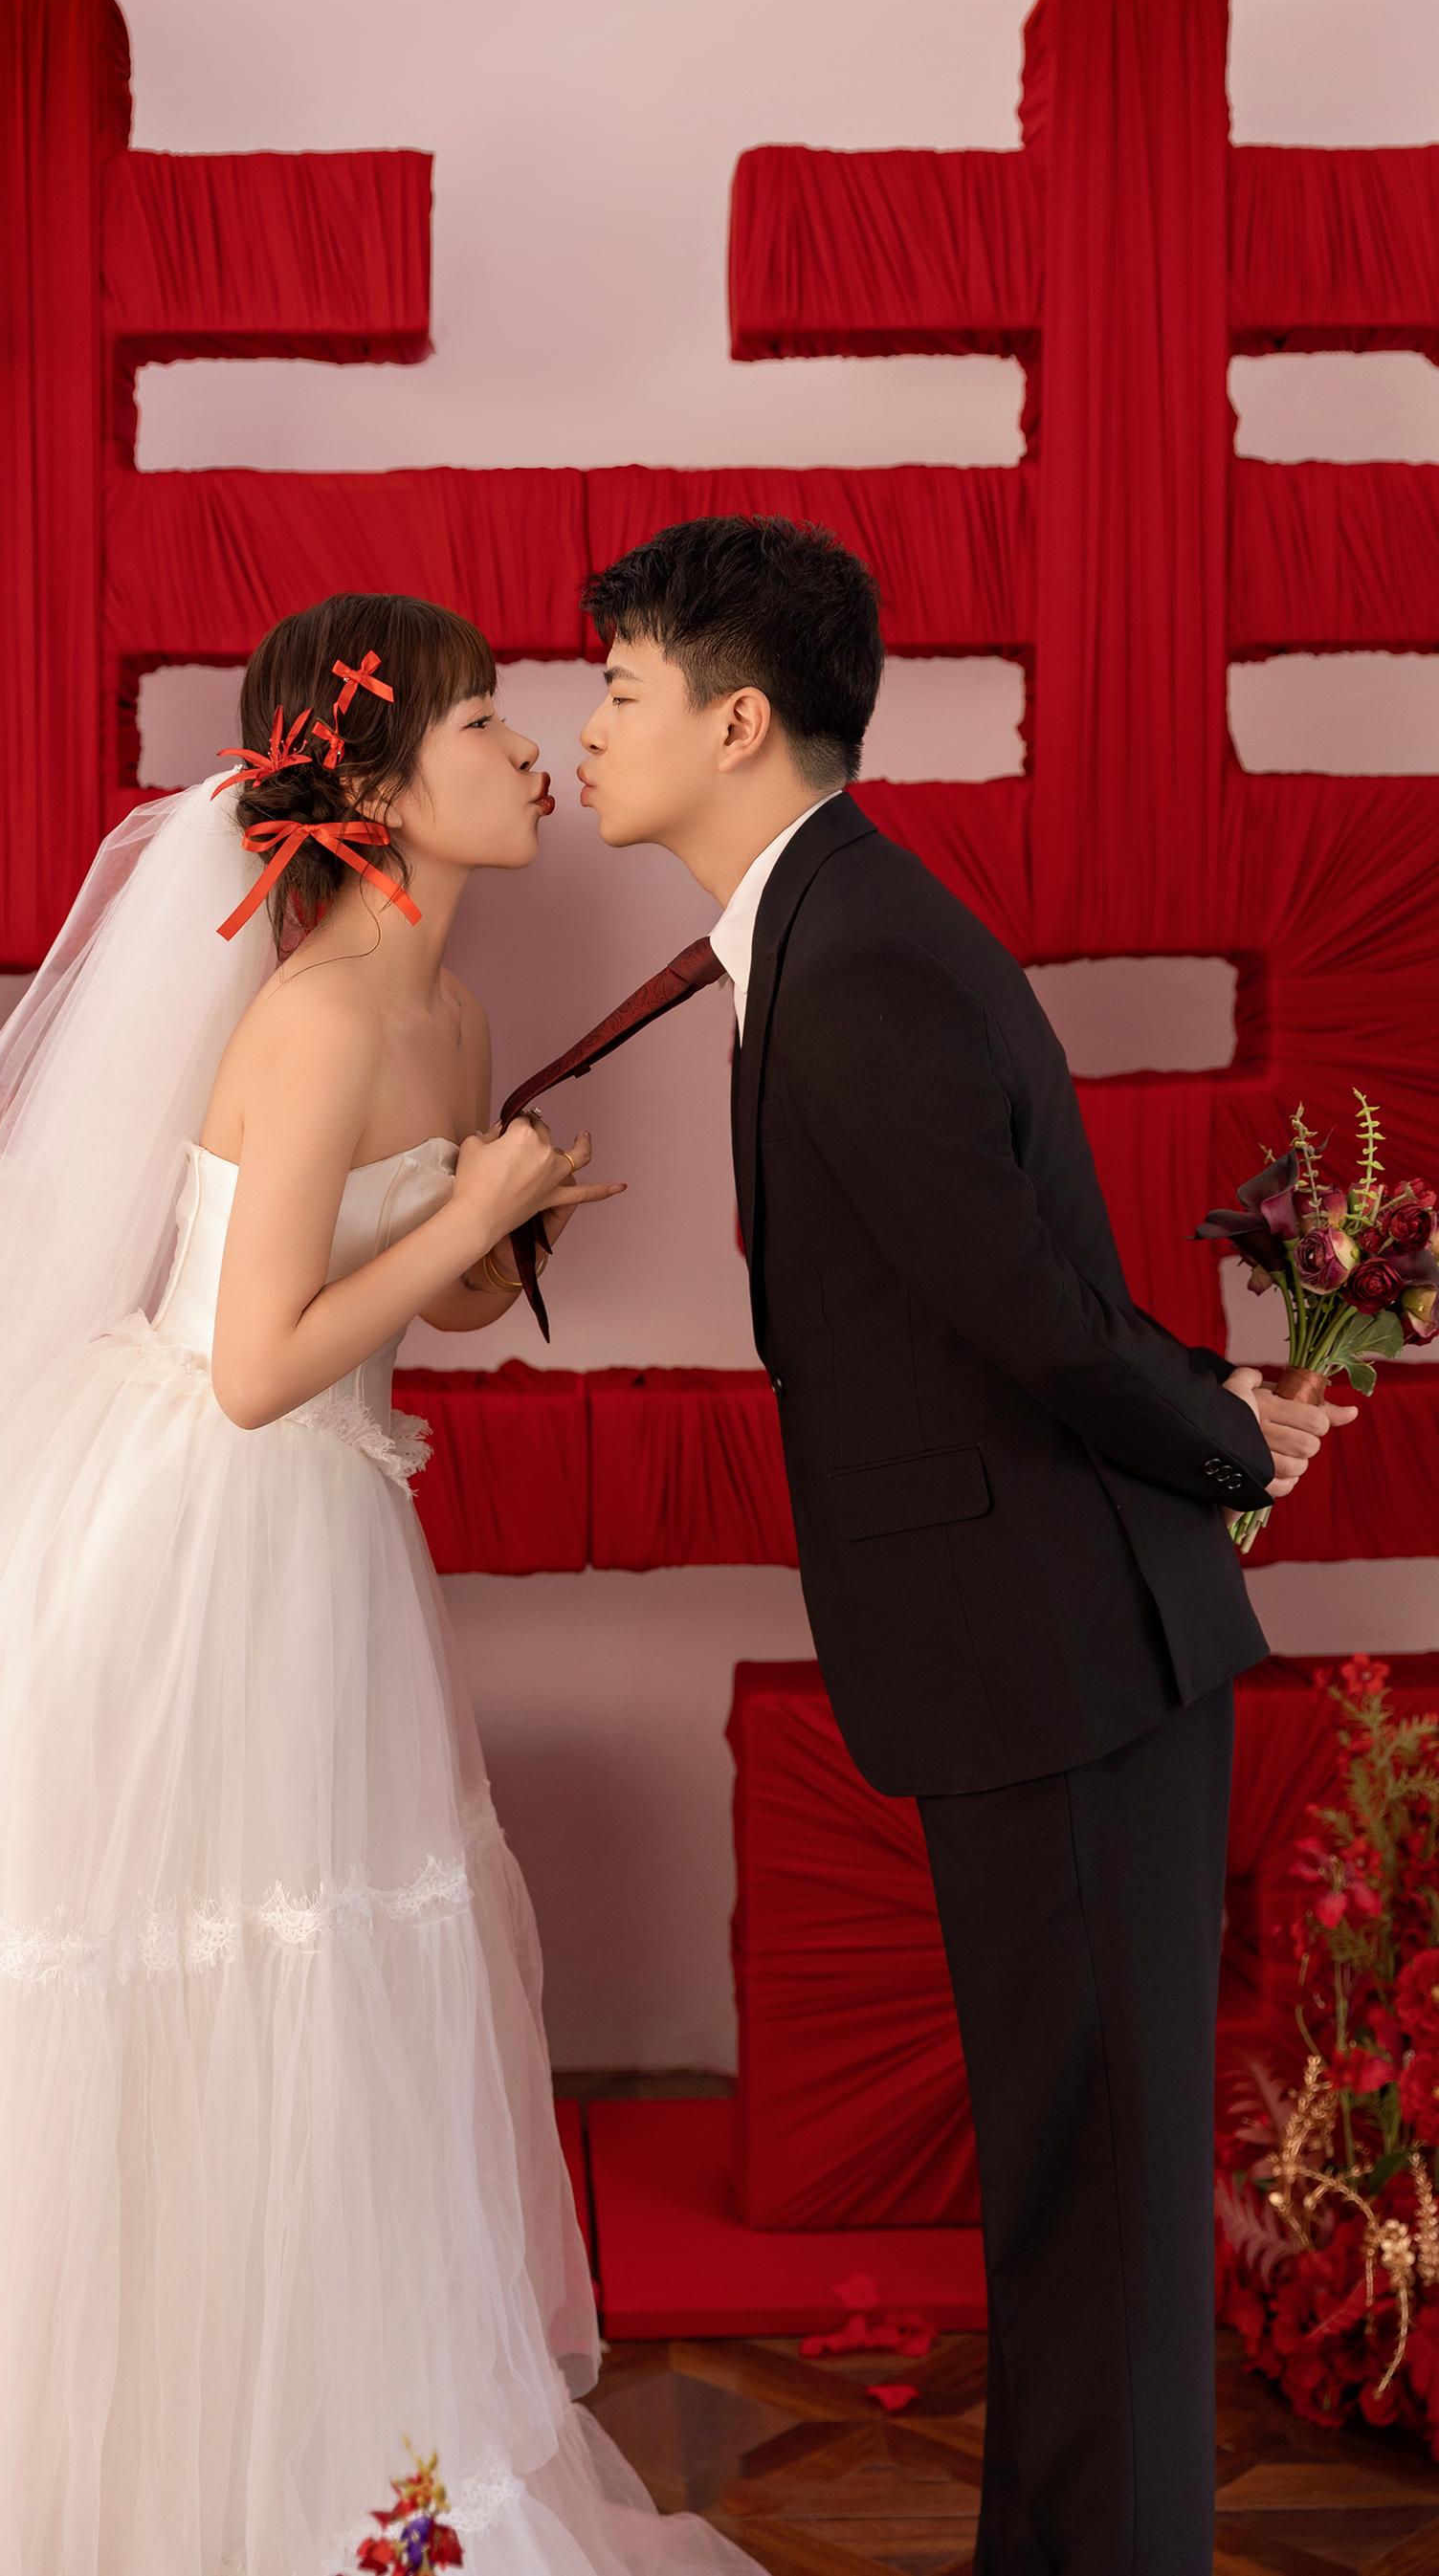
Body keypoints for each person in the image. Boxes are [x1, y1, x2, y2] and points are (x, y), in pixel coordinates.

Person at [0, 591, 762, 2575]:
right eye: (483, 725)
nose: (529, 754)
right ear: (381, 787)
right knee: (163, 1977)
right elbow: (256, 1365)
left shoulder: (449, 1014)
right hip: (185, 1544)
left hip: (318, 1539)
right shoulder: (314, 1016)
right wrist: (462, 1205)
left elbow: (427, 1304)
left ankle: (298, 2466)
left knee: (316, 1976)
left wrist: (503, 1228)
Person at [571, 514, 1358, 2576]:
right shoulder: (839, 928)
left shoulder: (858, 957)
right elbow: (1014, 1286)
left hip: (1061, 1651)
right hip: (1036, 1642)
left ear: (738, 721)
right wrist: (1214, 1400)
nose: (590, 731)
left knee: (1095, 2198)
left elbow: (1020, 1306)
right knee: (1067, 2190)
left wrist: (1217, 1435)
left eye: (622, 690)